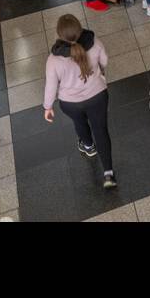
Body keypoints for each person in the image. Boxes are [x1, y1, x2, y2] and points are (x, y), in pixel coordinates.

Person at [43, 14, 117, 190]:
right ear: (80, 29)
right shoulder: (95, 42)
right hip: (97, 96)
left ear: (60, 35)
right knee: (101, 130)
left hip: (71, 104)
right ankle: (108, 174)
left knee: (79, 122)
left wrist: (48, 106)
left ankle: (88, 146)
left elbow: (51, 86)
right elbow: (105, 61)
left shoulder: (53, 60)